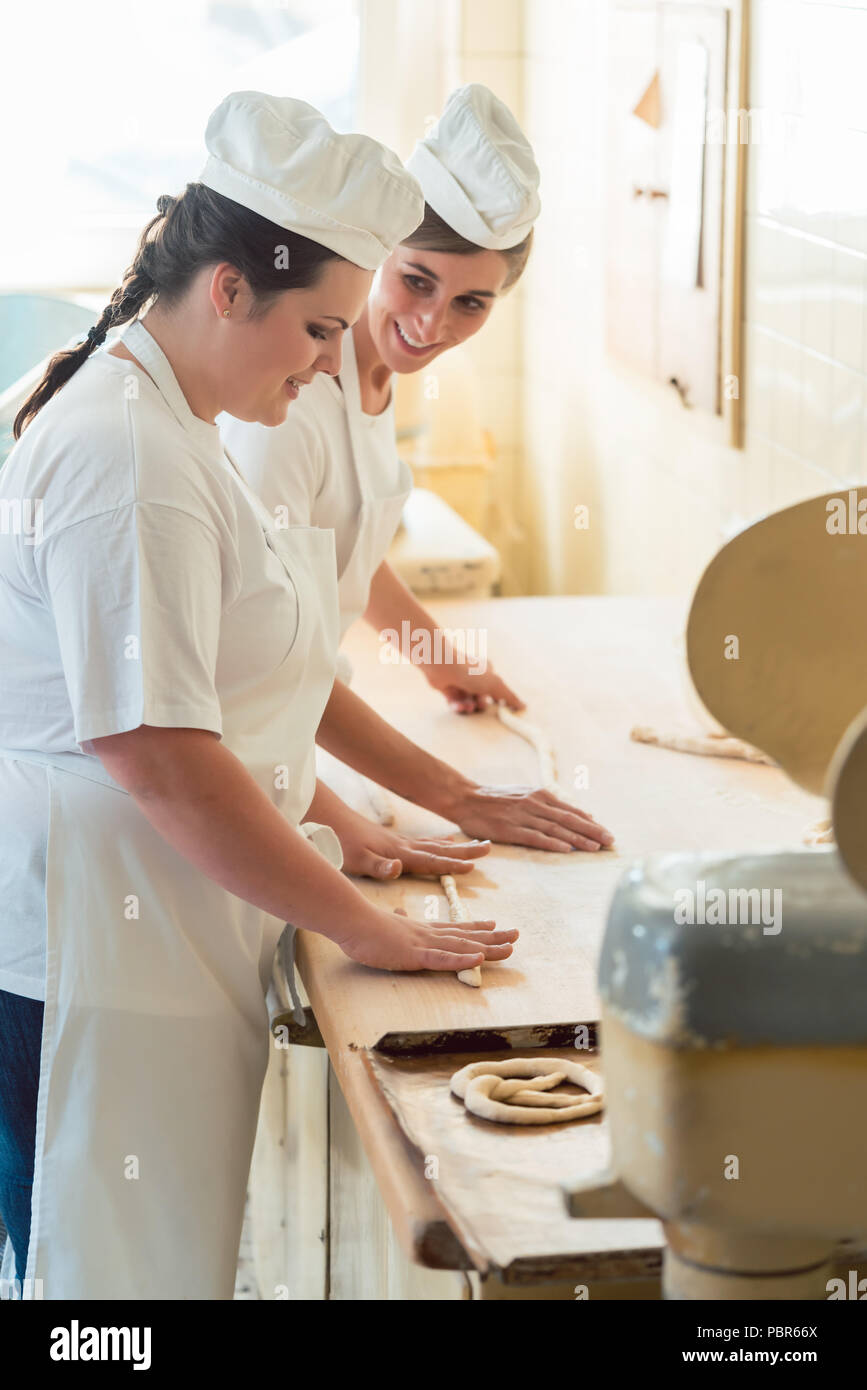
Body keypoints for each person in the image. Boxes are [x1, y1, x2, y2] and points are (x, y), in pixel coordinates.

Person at [0, 90, 516, 1301]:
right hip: (88, 941)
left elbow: (253, 671)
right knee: (96, 1285)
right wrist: (360, 921)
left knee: (148, 1269)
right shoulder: (131, 457)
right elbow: (161, 756)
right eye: (321, 329)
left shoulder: (178, 417)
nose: (337, 360)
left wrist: (358, 825)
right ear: (228, 288)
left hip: (157, 927)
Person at [222, 85, 615, 876]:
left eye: (472, 302)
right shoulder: (287, 402)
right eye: (416, 281)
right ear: (373, 256)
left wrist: (433, 653)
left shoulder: (374, 369)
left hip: (288, 734)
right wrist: (460, 798)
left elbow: (339, 551)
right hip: (242, 755)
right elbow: (263, 657)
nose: (433, 324)